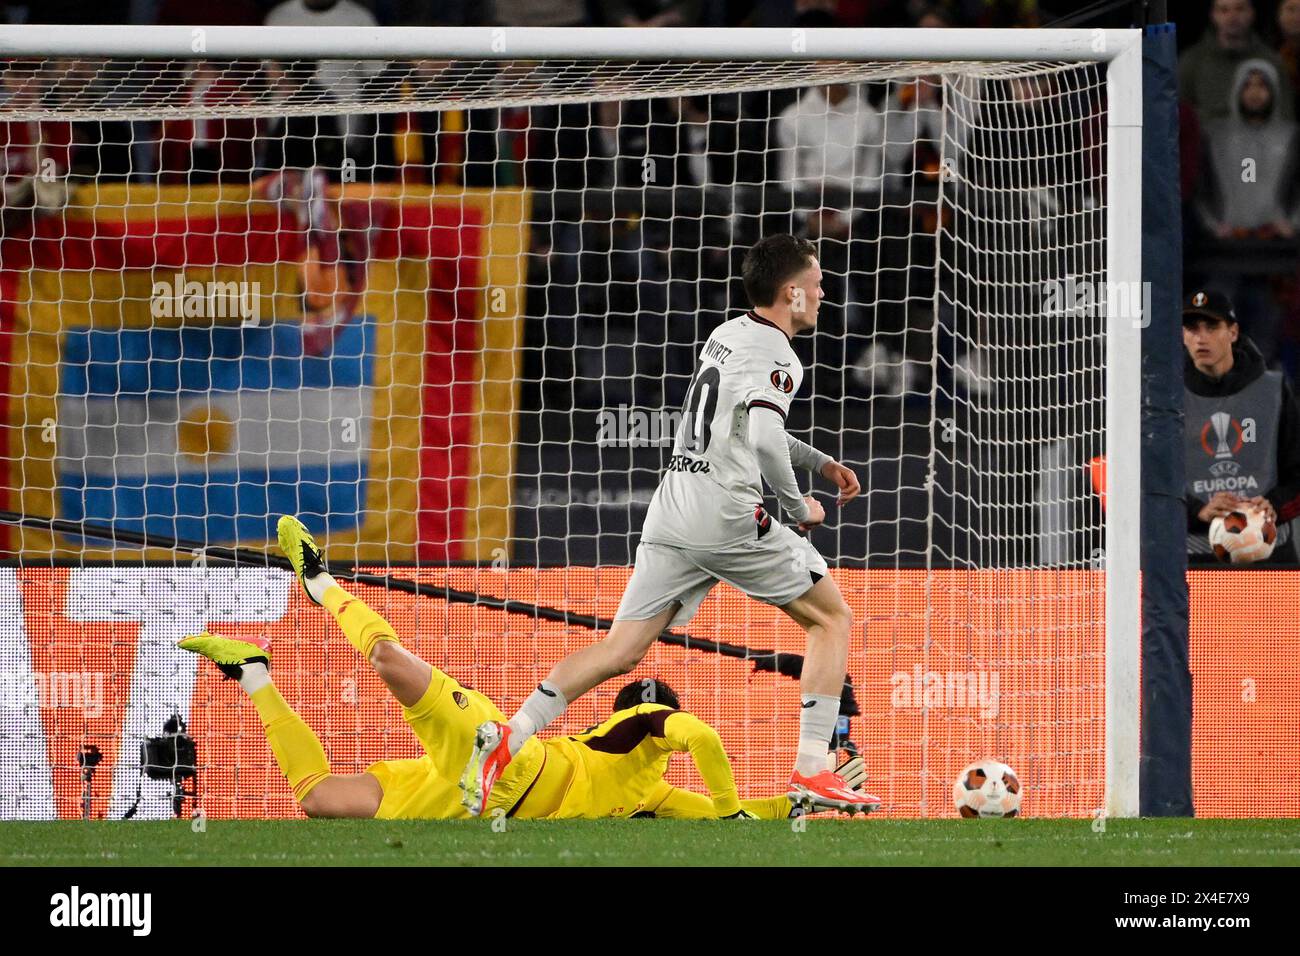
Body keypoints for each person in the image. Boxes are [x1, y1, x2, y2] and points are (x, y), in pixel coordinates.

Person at [460, 234, 880, 817]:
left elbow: (740, 426)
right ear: (791, 292)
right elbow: (759, 438)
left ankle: (509, 737)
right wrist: (797, 503)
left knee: (620, 649)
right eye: (816, 281)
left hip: (674, 505)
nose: (823, 290)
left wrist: (818, 462)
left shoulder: (727, 335)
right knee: (833, 619)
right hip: (726, 515)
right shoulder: (782, 357)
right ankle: (814, 770)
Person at [177, 516, 867, 820]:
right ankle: (320, 581)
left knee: (319, 800)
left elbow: (747, 802)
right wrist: (727, 819)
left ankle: (255, 672)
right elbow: (706, 748)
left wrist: (806, 800)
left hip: (467, 804)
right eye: (649, 706)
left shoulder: (653, 793)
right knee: (388, 659)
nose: (652, 715)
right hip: (504, 761)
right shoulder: (637, 732)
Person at [1183, 290, 1300, 562]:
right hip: (1196, 559)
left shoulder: (1273, 391)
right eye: (1192, 328)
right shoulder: (1167, 399)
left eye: (1212, 327)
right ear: (1182, 336)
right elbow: (1149, 478)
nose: (1201, 337)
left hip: (1270, 554)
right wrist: (1196, 511)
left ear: (1233, 332)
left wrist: (1274, 506)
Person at [1180, 0, 1294, 124]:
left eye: (1240, 9)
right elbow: (1180, 113)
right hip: (1206, 139)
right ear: (1213, 15)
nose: (1232, 17)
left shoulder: (1272, 61)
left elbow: (1285, 115)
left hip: (1262, 139)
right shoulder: (1192, 61)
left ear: (1251, 13)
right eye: (1224, 10)